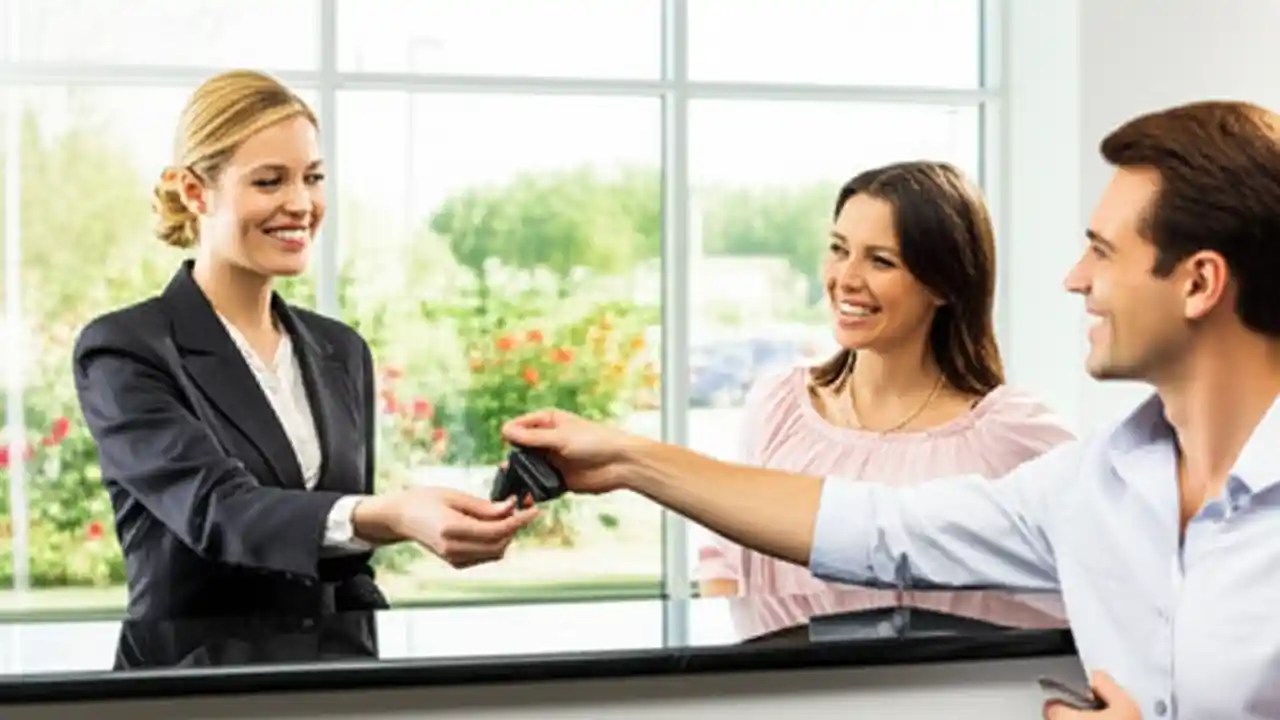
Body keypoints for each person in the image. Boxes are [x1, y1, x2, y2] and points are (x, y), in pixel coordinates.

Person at [504, 99, 1280, 719]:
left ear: (1199, 283)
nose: (1075, 278)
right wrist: (627, 459)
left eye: (1103, 252)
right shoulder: (1092, 487)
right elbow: (877, 528)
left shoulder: (1032, 441)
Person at [73, 69, 537, 620]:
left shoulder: (340, 351)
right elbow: (218, 510)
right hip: (190, 687)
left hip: (322, 689)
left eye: (312, 178)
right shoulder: (126, 351)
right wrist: (392, 515)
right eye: (269, 181)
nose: (300, 204)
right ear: (196, 191)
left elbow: (346, 572)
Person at [695, 161, 1074, 638]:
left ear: (942, 282)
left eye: (880, 260)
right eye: (838, 249)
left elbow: (1092, 585)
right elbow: (725, 565)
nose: (845, 278)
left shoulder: (1014, 433)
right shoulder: (777, 407)